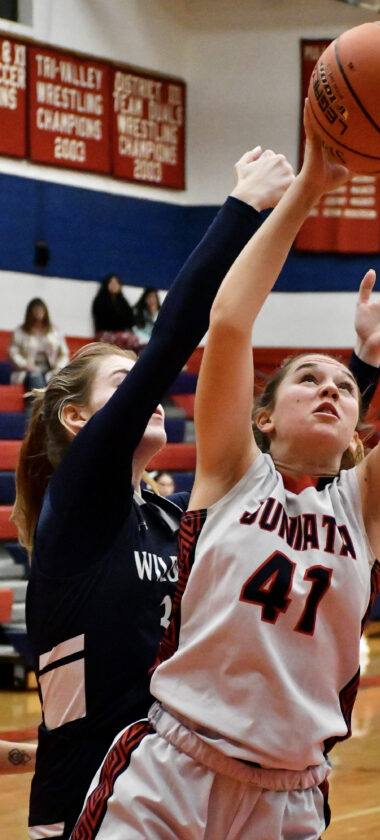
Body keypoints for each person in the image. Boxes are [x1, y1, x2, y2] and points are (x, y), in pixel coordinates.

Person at [71, 100, 380, 840]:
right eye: (308, 380)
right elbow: (229, 320)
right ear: (263, 418)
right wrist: (309, 186)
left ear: (356, 426)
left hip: (290, 797)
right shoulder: (232, 473)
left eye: (345, 386)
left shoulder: (367, 509)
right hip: (173, 770)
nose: (330, 390)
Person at [14, 146, 295, 840]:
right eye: (124, 384)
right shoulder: (80, 500)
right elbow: (173, 340)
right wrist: (243, 207)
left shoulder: (167, 516)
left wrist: (365, 363)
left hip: (170, 796)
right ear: (77, 418)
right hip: (85, 802)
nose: (149, 393)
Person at [8, 298, 69, 392]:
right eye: (35, 310)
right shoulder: (20, 331)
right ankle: (37, 401)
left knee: (57, 379)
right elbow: (13, 353)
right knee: (36, 377)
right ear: (29, 313)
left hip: (51, 369)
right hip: (28, 370)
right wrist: (26, 365)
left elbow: (64, 353)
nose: (38, 313)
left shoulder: (54, 330)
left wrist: (58, 366)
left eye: (40, 310)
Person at [91, 273, 140, 351]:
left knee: (135, 340)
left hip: (121, 333)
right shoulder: (100, 301)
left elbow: (130, 320)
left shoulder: (123, 302)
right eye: (111, 283)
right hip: (105, 333)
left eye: (116, 283)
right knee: (126, 339)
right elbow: (105, 321)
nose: (114, 285)